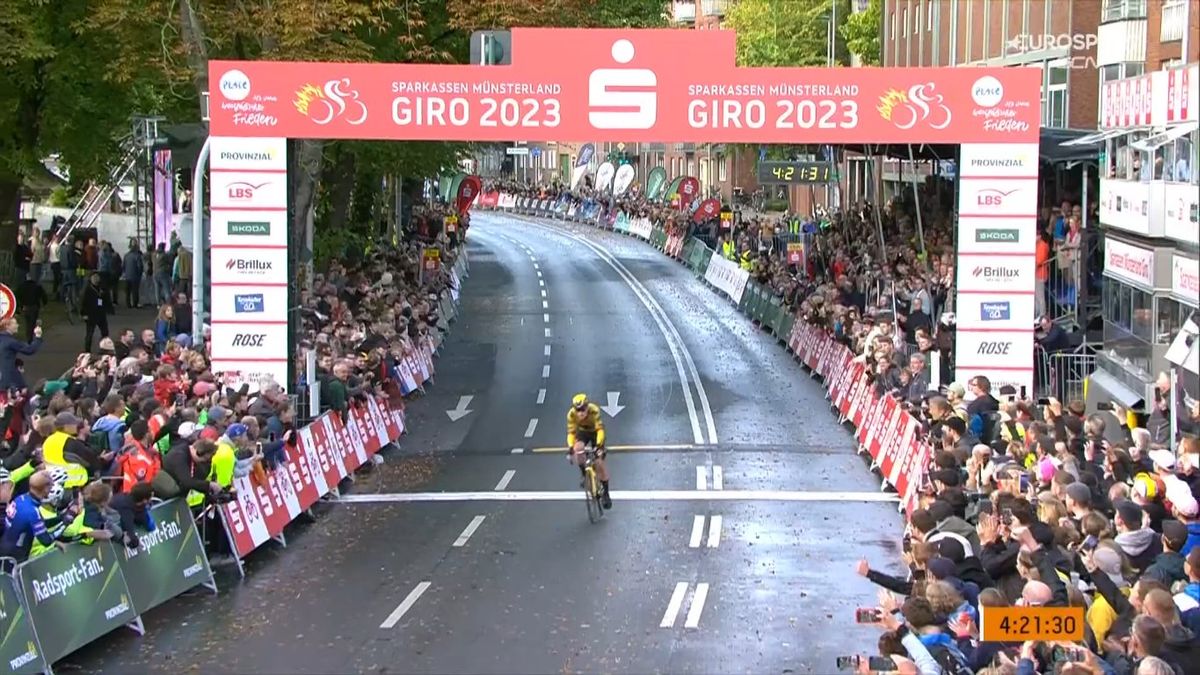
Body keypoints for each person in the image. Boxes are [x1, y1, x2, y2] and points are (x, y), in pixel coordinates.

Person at [0, 471, 65, 564]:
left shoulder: (20, 498)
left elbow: (38, 524)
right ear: (45, 489)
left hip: (5, 546)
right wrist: (67, 521)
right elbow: (46, 540)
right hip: (14, 557)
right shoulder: (32, 512)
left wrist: (61, 518)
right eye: (51, 486)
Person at [566, 393, 611, 509]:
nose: (580, 413)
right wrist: (571, 447)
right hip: (582, 432)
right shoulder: (571, 414)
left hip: (596, 432)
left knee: (599, 462)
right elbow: (571, 433)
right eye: (578, 410)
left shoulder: (594, 410)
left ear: (587, 406)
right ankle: (584, 474)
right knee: (578, 449)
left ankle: (606, 493)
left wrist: (599, 445)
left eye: (583, 409)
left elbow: (600, 430)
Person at [0, 318, 43, 392]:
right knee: (23, 394)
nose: (18, 325)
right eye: (15, 323)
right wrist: (38, 336)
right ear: (7, 326)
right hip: (9, 379)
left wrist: (17, 362)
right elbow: (30, 350)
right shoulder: (11, 342)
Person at [81, 271, 110, 353]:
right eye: (94, 277)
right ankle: (87, 350)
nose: (96, 279)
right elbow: (83, 302)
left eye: (97, 277)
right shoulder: (87, 289)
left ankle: (105, 348)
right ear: (90, 279)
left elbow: (106, 299)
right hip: (91, 314)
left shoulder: (102, 288)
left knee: (105, 332)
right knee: (90, 333)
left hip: (101, 313)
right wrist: (84, 313)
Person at [123, 242, 145, 309]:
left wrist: (125, 273)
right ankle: (135, 304)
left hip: (127, 275)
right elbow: (139, 266)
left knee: (128, 291)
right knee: (135, 291)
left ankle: (128, 304)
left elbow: (123, 265)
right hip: (135, 276)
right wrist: (140, 273)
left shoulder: (126, 255)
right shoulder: (137, 256)